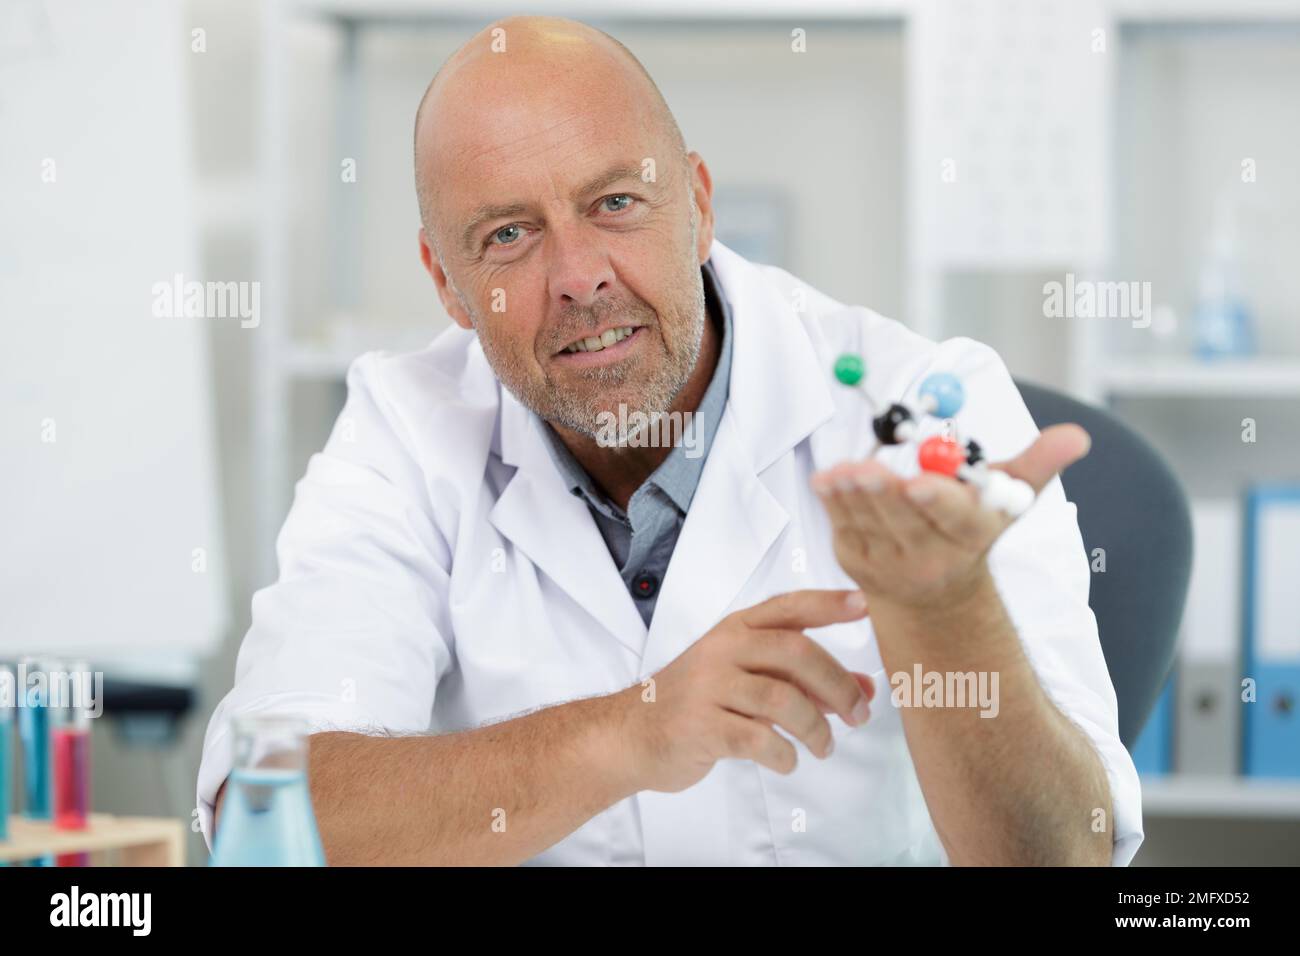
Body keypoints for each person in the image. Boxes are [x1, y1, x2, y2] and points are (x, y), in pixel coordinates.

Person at [198, 15, 1141, 866]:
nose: (578, 277)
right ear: (446, 282)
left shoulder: (926, 411)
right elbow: (263, 820)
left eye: (615, 203)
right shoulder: (404, 430)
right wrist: (630, 735)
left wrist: (947, 610)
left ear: (697, 204)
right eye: (510, 235)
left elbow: (1069, 860)